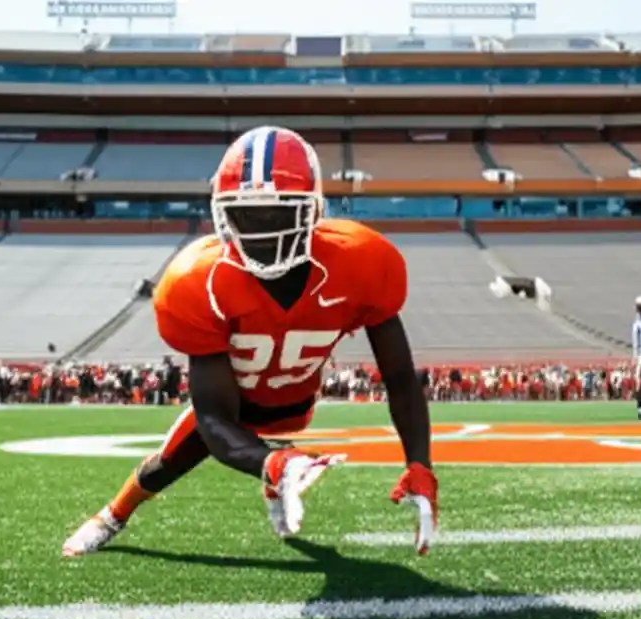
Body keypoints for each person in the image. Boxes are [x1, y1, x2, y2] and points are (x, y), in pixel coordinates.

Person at [63, 126, 438, 556]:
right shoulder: (198, 281)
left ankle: (274, 476)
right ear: (222, 214)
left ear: (314, 210)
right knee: (164, 466)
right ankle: (112, 515)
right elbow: (215, 420)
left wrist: (420, 464)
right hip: (238, 410)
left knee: (256, 458)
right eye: (247, 213)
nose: (263, 230)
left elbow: (400, 379)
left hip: (298, 404)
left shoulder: (360, 262)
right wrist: (272, 462)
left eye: (278, 213)